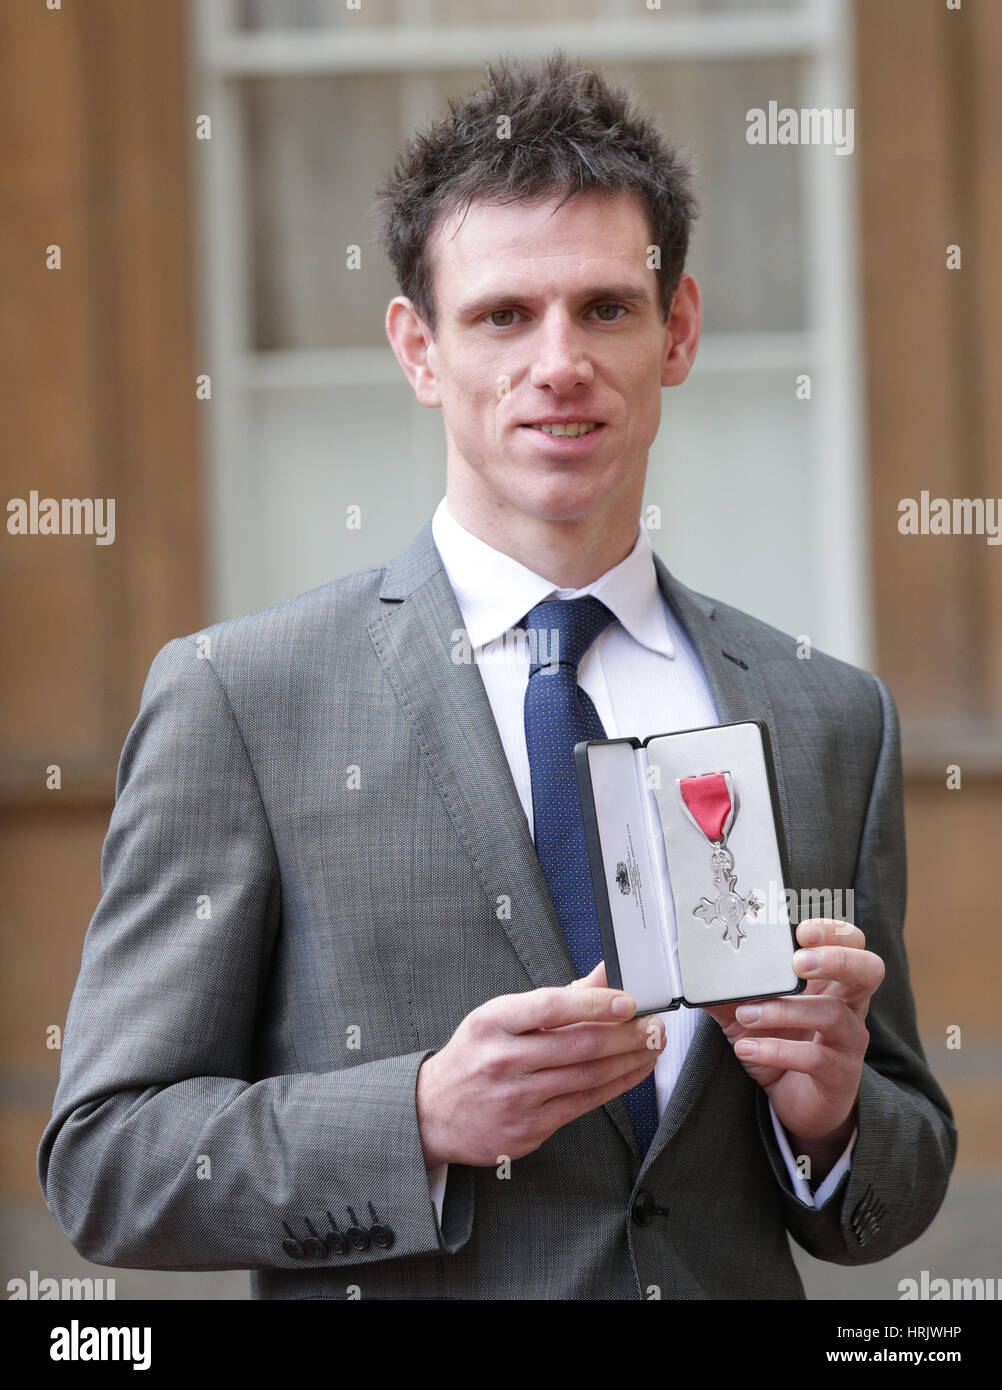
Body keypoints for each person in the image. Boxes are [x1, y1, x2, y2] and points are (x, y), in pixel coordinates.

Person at [37, 51, 955, 1300]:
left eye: (606, 308)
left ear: (677, 329)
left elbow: (891, 1181)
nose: (559, 361)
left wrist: (833, 1115)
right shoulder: (241, 699)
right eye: (502, 315)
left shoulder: (826, 713)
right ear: (420, 350)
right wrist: (415, 1115)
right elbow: (104, 1161)